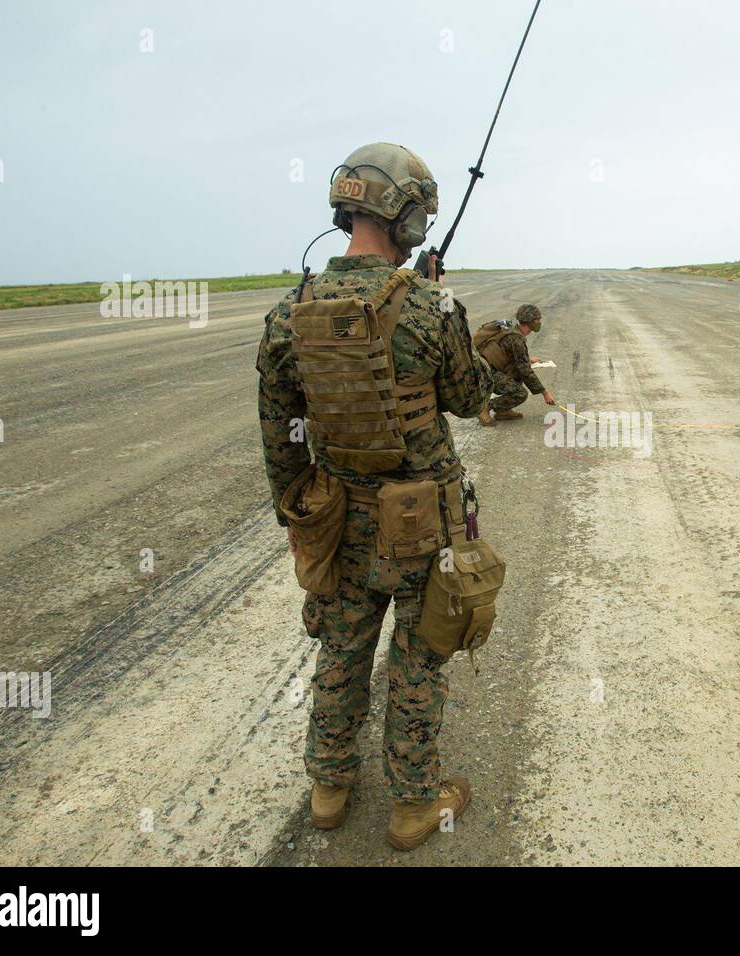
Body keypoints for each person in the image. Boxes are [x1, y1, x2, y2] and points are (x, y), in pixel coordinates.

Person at [256, 142, 492, 851]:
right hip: (422, 524)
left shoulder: (287, 314)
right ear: (407, 216)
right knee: (419, 659)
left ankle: (329, 788)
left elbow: (280, 439)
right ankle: (414, 805)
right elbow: (471, 394)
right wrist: (438, 303)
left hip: (338, 520)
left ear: (347, 207)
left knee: (341, 650)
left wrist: (301, 523)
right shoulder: (428, 308)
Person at [474, 304, 555, 425]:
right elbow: (526, 371)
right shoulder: (516, 339)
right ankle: (485, 407)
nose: (539, 322)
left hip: (482, 368)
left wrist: (528, 359)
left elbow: (510, 354)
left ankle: (503, 410)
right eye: (538, 319)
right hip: (484, 374)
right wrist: (545, 393)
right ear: (531, 321)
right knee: (520, 393)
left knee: (517, 373)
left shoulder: (511, 329)